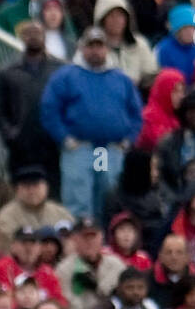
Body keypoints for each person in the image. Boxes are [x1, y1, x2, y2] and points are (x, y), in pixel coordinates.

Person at [39, 27, 143, 224]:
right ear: (82, 48)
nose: (95, 51)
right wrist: (64, 138)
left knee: (107, 198)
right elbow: (49, 109)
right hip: (80, 148)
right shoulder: (66, 76)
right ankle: (77, 245)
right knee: (78, 201)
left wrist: (129, 140)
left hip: (108, 150)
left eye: (100, 46)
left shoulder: (120, 79)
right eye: (91, 46)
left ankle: (105, 245)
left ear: (107, 49)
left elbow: (136, 113)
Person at [0, 22, 63, 187]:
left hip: (52, 147)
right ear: (22, 38)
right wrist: (11, 135)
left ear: (44, 37)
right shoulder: (7, 73)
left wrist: (62, 135)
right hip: (21, 149)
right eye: (28, 33)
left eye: (37, 32)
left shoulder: (59, 70)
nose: (33, 36)